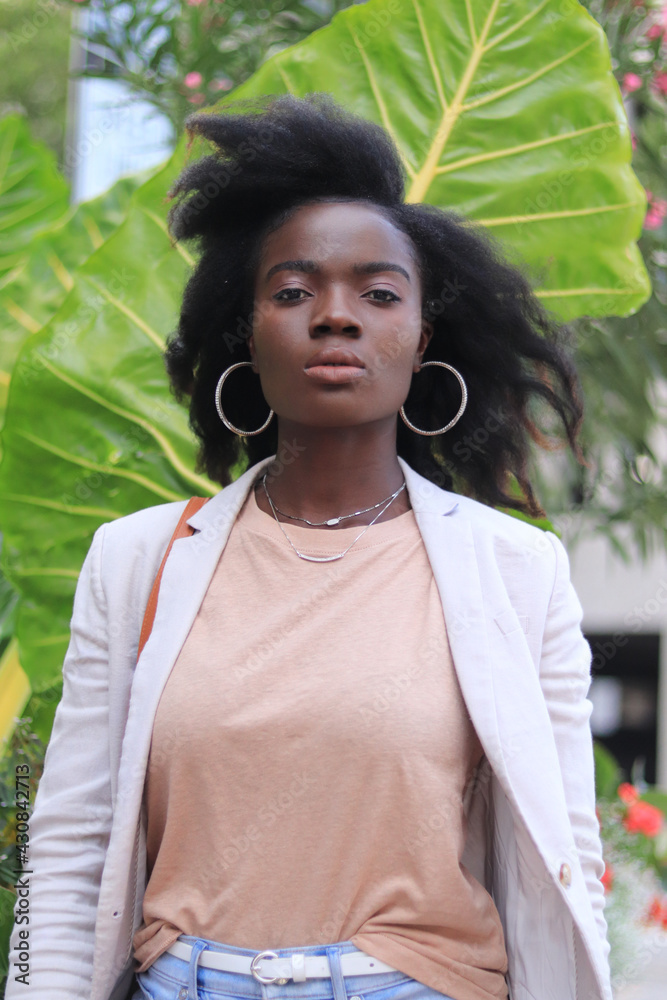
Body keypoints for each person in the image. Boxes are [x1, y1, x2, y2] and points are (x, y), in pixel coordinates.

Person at [6, 94, 612, 1000]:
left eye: (377, 293)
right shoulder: (138, 561)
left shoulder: (515, 574)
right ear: (243, 332)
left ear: (420, 339)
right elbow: (71, 838)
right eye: (293, 292)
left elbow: (565, 852)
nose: (336, 316)